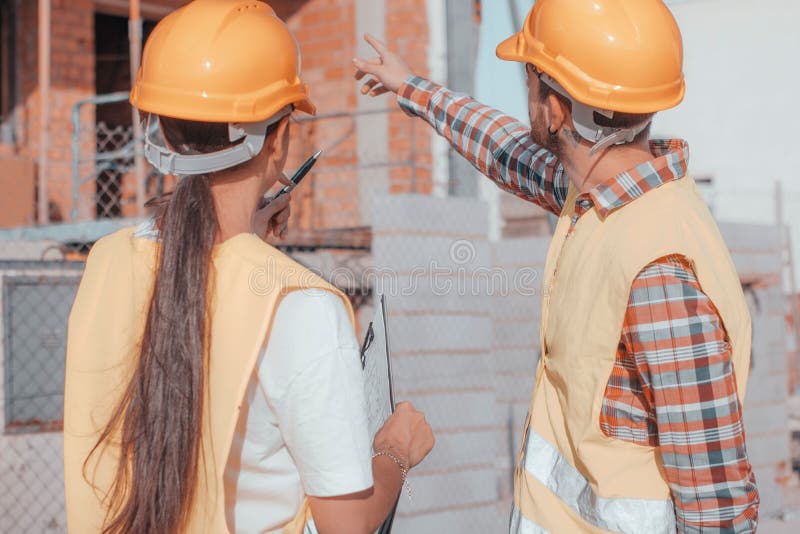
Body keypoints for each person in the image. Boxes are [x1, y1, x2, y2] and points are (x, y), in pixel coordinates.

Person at [353, 0, 758, 531]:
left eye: (530, 78)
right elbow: (505, 149)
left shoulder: (657, 270)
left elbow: (718, 507)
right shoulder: (600, 198)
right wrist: (413, 89)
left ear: (557, 111)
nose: (526, 93)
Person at [63, 2, 434, 533]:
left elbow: (199, 274)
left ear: (160, 134)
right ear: (280, 139)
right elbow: (346, 525)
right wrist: (396, 453)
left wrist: (243, 240)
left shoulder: (107, 262)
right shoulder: (300, 305)